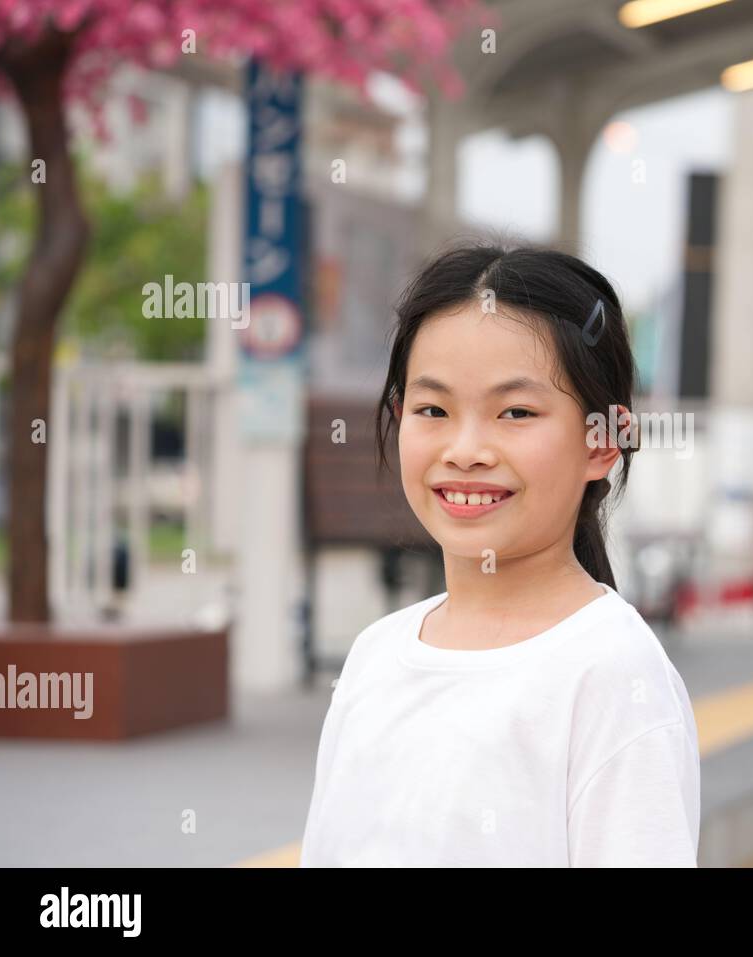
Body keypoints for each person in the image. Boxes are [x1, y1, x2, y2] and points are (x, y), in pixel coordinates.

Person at [299, 239, 701, 866]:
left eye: (515, 412)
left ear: (603, 440)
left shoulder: (612, 675)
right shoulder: (375, 656)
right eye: (433, 409)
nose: (465, 449)